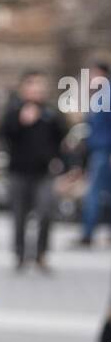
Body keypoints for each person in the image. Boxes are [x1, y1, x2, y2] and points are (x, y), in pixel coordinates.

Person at [0, 70, 67, 271]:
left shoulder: (51, 113)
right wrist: (20, 122)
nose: (36, 90)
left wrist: (59, 162)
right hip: (19, 171)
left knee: (46, 211)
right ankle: (20, 254)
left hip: (44, 172)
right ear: (24, 89)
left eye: (40, 86)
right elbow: (3, 134)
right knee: (19, 215)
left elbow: (61, 139)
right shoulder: (13, 111)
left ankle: (41, 253)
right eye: (32, 86)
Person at [76, 60, 111, 247]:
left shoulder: (106, 96)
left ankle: (87, 234)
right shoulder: (99, 96)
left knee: (94, 193)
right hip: (98, 150)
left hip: (104, 151)